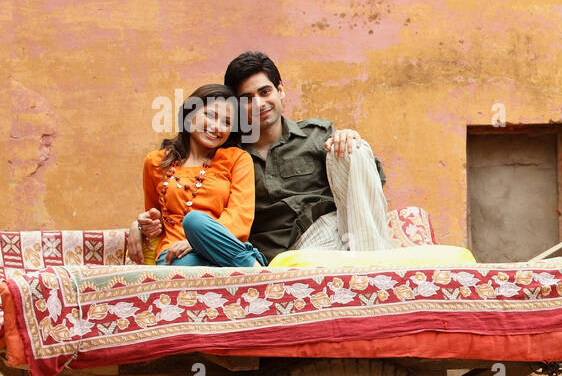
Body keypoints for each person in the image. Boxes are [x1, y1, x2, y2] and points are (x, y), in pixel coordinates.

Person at [223, 51, 390, 263]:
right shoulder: (230, 156)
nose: (259, 104)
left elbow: (370, 181)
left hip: (336, 230)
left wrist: (349, 139)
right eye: (247, 99)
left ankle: (371, 266)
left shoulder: (315, 135)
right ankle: (365, 267)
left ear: (280, 90)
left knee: (352, 147)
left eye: (265, 92)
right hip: (282, 252)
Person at [129, 84, 266, 268]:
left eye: (226, 122)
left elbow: (240, 217)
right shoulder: (156, 162)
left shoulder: (237, 159)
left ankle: (251, 270)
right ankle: (255, 270)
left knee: (195, 221)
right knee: (187, 241)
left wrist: (194, 242)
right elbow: (155, 220)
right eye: (210, 115)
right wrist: (138, 226)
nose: (216, 127)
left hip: (224, 250)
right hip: (176, 255)